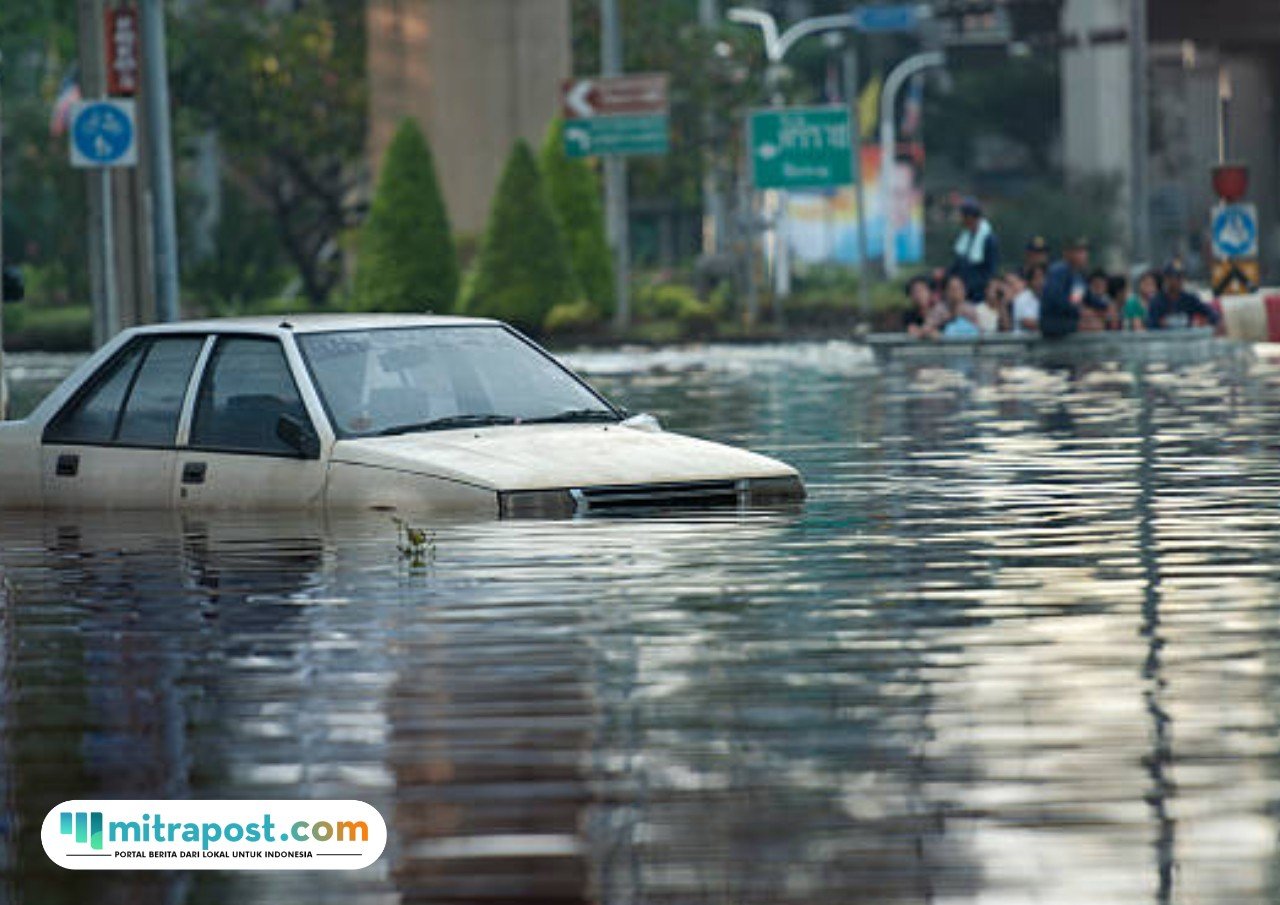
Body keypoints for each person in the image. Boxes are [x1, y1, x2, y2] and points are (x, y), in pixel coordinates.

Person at [1040, 237, 1108, 338]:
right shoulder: (1059, 271)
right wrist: (1079, 311)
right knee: (1092, 326)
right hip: (1055, 322)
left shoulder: (1078, 276)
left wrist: (1106, 307)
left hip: (1070, 320)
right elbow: (1054, 299)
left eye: (1085, 251)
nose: (1084, 255)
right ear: (1067, 253)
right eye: (1079, 252)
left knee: (1097, 323)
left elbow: (1089, 298)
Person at [948, 197, 999, 302]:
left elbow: (990, 271)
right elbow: (958, 264)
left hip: (978, 292)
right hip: (962, 290)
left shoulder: (988, 239)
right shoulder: (964, 237)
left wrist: (970, 284)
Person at [1148, 260, 1220, 330]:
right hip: (1164, 340)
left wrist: (1205, 322)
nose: (1180, 280)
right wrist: (1160, 324)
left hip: (1187, 339)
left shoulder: (1190, 299)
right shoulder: (1156, 301)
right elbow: (1150, 325)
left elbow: (1212, 314)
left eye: (1181, 277)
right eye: (1176, 277)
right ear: (1166, 278)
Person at [903, 275, 948, 339]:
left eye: (922, 290)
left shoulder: (940, 310)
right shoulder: (909, 315)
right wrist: (927, 331)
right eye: (914, 292)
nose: (919, 295)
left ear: (930, 292)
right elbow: (912, 331)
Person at [1008, 266, 1042, 334]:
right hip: (1022, 342)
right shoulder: (1022, 298)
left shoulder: (1046, 297)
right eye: (1037, 278)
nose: (1040, 281)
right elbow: (1029, 323)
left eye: (1043, 277)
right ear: (1030, 281)